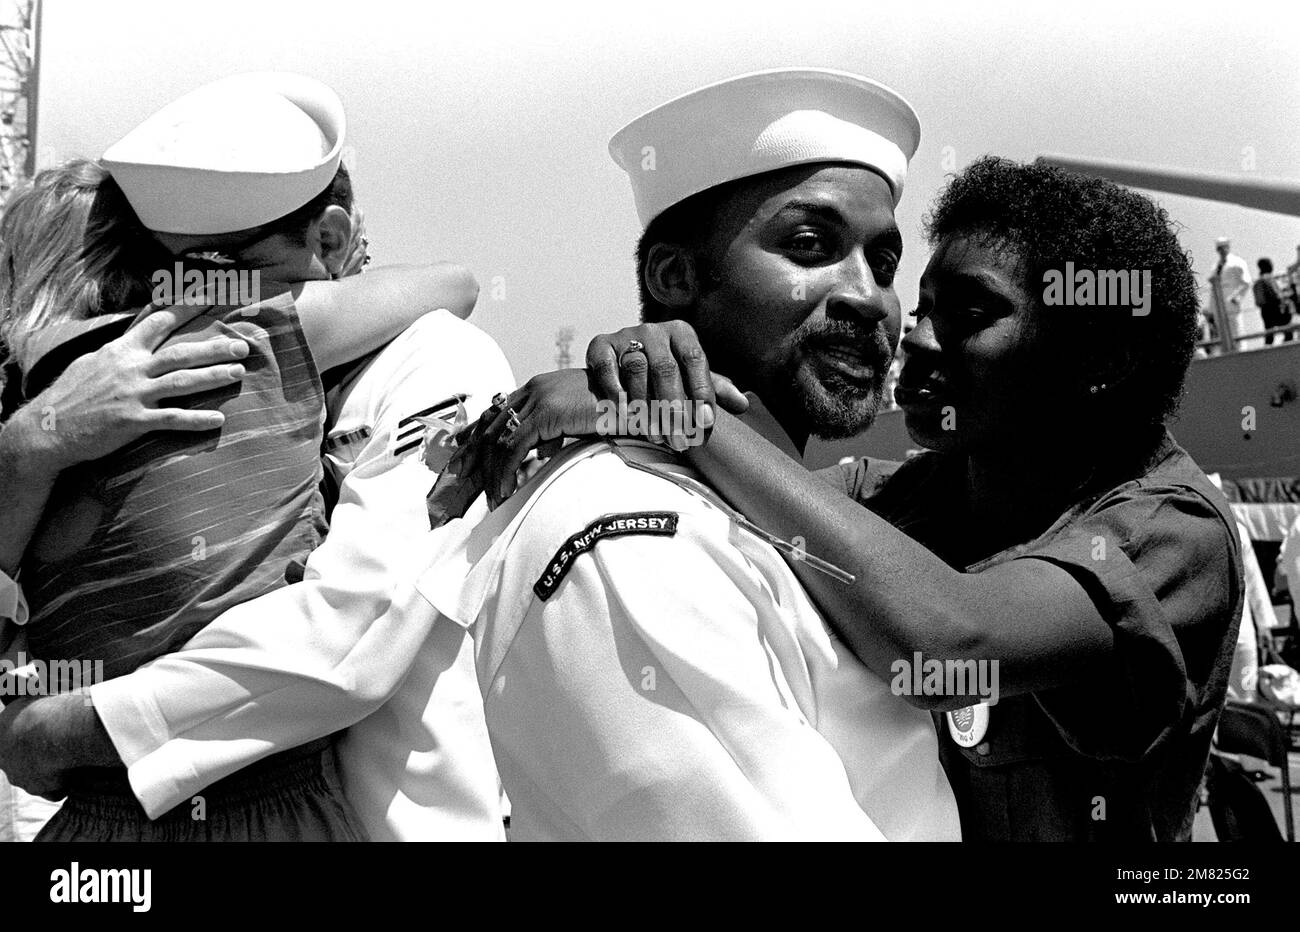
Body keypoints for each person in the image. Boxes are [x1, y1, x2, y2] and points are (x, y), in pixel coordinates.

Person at [470, 156, 1244, 841]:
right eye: (928, 307)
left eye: (972, 315)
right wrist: (647, 375)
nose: (916, 336)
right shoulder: (917, 491)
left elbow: (951, 641)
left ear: (1097, 356)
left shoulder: (1169, 530)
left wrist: (679, 413)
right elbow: (765, 491)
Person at [421, 68, 960, 841]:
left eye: (882, 263)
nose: (867, 295)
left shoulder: (774, 507)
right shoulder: (631, 535)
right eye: (810, 246)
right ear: (674, 276)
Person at [0, 73, 504, 841]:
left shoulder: (432, 358)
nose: (190, 300)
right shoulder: (130, 382)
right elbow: (461, 280)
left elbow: (347, 637)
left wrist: (58, 725)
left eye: (216, 272)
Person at [1210, 236, 1252, 348]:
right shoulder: (1215, 267)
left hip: (1232, 302)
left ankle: (1241, 352)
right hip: (1218, 305)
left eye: (1223, 247)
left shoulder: (1237, 262)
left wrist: (1237, 297)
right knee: (1222, 332)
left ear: (1228, 247)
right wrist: (1210, 308)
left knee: (1236, 329)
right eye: (1219, 248)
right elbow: (1213, 287)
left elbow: (1246, 282)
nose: (1222, 250)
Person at [1252, 258, 1292, 344]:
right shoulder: (1269, 279)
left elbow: (1258, 301)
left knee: (1269, 335)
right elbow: (1277, 294)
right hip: (1276, 309)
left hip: (1265, 311)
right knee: (1288, 333)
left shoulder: (1258, 282)